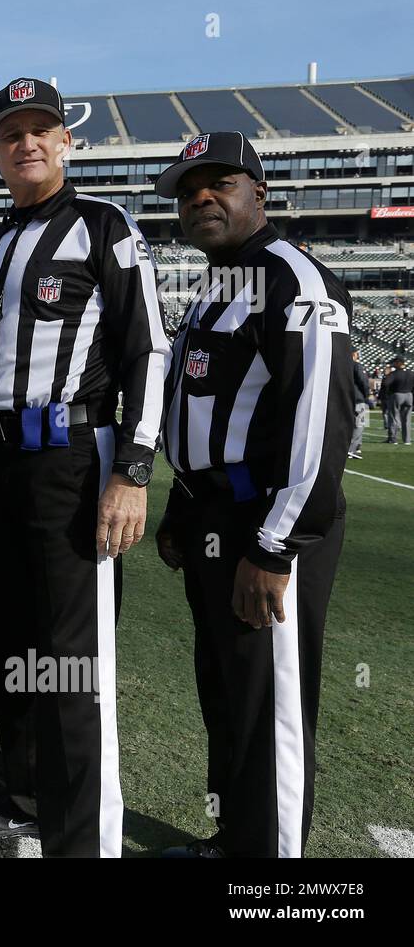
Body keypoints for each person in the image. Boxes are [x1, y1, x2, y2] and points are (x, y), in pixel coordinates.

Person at [0, 78, 168, 857]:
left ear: (67, 140)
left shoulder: (104, 226)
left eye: (41, 129)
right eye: (12, 134)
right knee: (14, 645)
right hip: (2, 458)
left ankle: (84, 840)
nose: (27, 144)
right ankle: (24, 800)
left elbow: (147, 347)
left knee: (72, 660)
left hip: (76, 459)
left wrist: (134, 470)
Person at [153, 131, 351, 857]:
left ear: (259, 193)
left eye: (220, 183)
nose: (200, 197)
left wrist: (275, 546)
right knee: (229, 688)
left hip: (266, 522)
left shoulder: (292, 276)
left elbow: (315, 422)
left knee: (272, 706)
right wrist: (182, 505)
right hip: (214, 514)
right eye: (186, 188)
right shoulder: (222, 281)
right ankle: (238, 837)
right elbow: (201, 405)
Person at [380, 356, 413, 444]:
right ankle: (407, 440)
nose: (393, 364)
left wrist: (386, 375)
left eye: (394, 363)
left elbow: (386, 383)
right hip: (409, 395)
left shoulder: (395, 373)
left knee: (394, 417)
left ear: (398, 363)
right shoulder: (411, 373)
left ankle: (393, 438)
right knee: (407, 419)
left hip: (397, 395)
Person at [348, 351, 368, 459]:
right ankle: (352, 449)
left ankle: (356, 448)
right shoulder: (356, 365)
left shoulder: (341, 364)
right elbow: (363, 381)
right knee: (359, 424)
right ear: (354, 354)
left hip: (344, 397)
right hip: (357, 397)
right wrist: (366, 394)